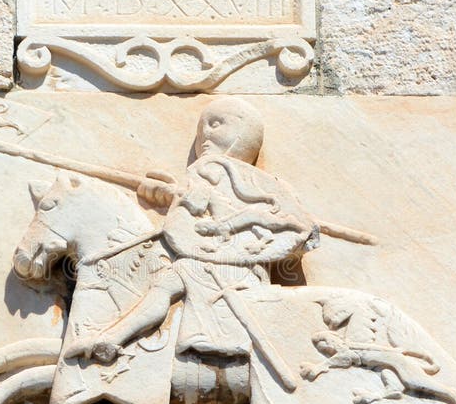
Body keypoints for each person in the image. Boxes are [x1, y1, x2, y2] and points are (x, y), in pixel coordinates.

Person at [65, 96, 319, 375]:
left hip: (229, 268)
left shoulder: (219, 174)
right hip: (214, 259)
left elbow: (299, 231)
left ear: (241, 132)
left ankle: (114, 339)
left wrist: (177, 197)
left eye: (216, 124)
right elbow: (188, 217)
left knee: (165, 284)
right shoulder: (230, 179)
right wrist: (171, 195)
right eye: (201, 129)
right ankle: (112, 339)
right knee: (165, 283)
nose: (205, 135)